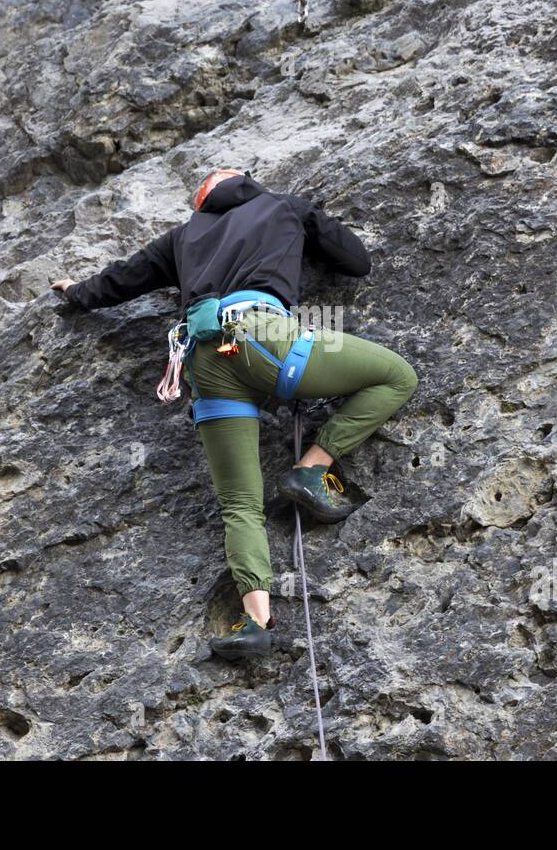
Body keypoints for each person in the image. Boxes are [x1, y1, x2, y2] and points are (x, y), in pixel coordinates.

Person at [50, 170, 417, 659]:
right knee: (397, 376)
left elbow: (122, 279)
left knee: (240, 505)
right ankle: (312, 468)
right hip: (266, 336)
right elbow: (356, 262)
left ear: (200, 201)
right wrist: (309, 223)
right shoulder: (283, 206)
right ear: (248, 185)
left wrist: (77, 290)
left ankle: (256, 620)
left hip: (203, 363)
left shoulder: (183, 238)